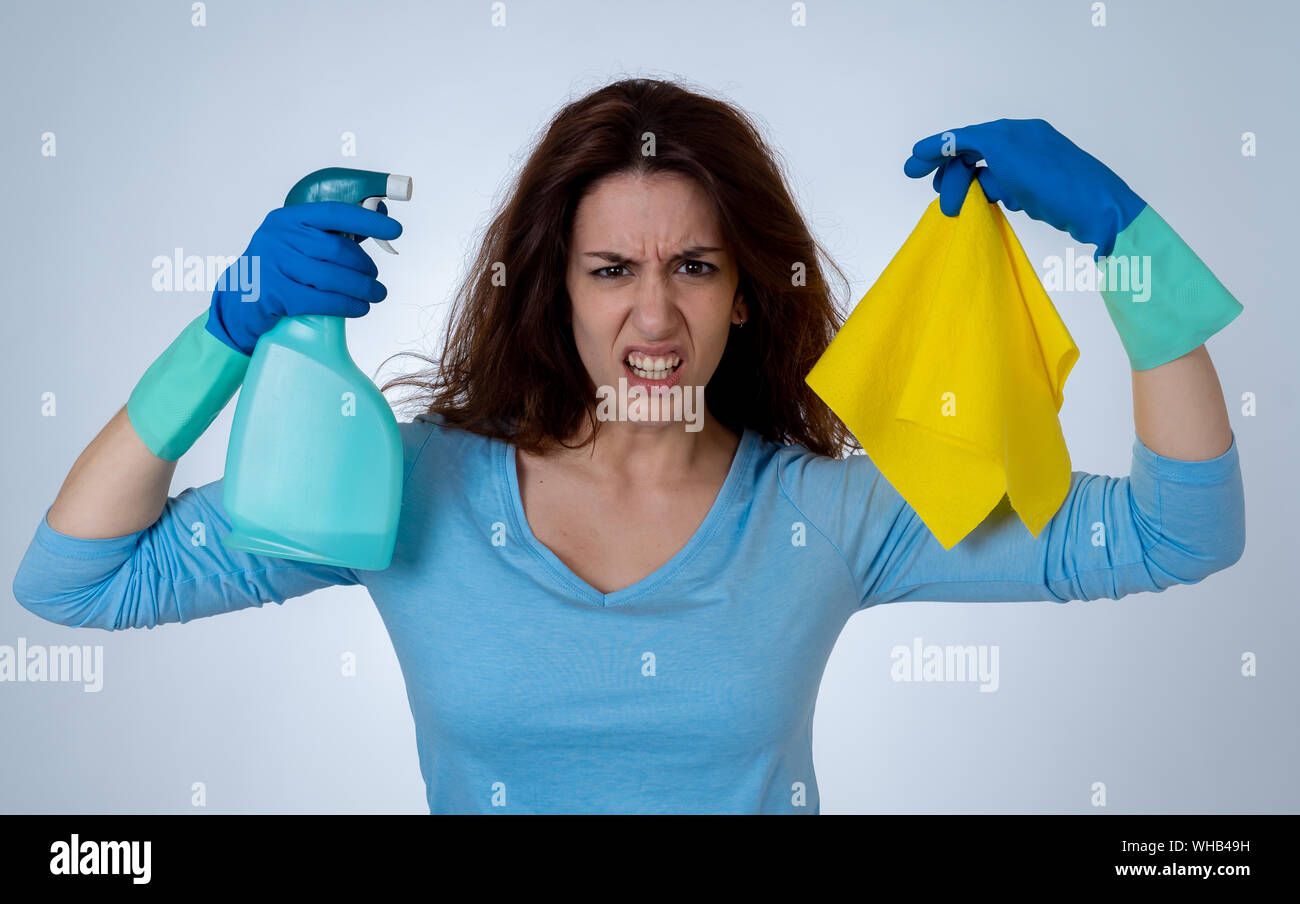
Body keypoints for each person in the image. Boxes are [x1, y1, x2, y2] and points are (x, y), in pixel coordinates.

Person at [11, 78, 1245, 814]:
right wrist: (224, 330)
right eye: (610, 271)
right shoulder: (408, 488)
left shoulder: (829, 514)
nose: (653, 318)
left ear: (744, 292)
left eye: (693, 268)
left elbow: (1175, 531)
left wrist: (1118, 233)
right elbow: (76, 579)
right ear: (553, 288)